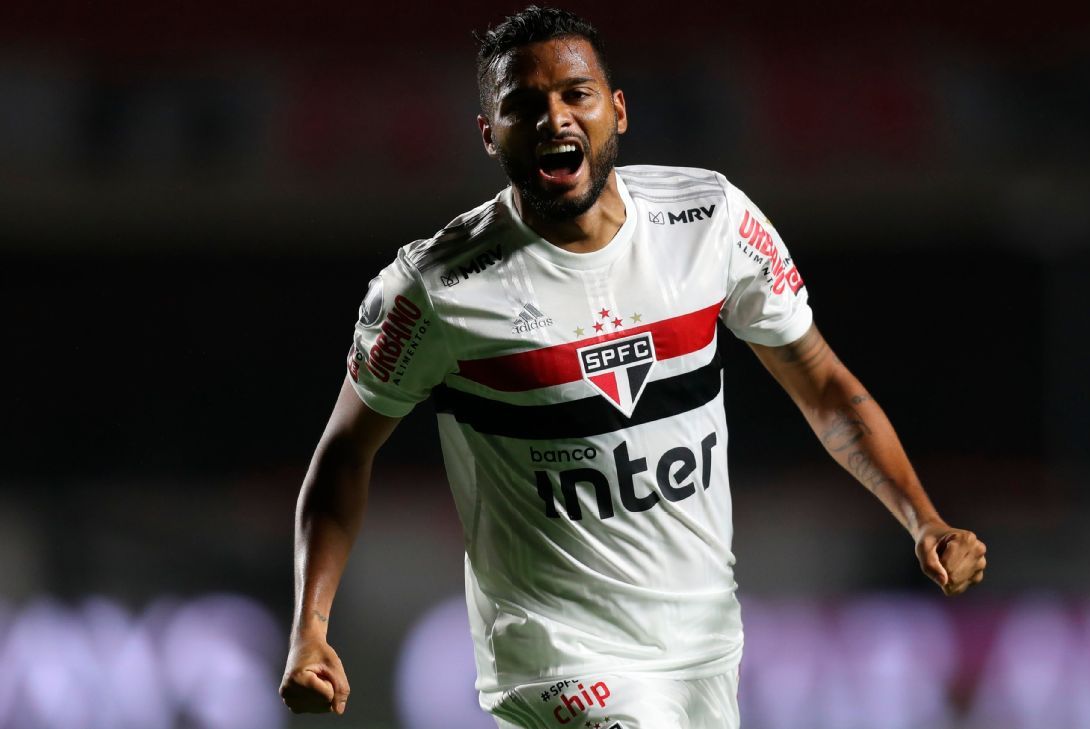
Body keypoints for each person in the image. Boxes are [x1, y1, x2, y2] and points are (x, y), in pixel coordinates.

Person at [279, 6, 987, 727]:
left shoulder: (710, 222)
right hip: (557, 662)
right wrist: (311, 626)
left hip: (704, 649)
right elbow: (345, 451)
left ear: (617, 110)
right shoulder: (436, 287)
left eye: (575, 94)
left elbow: (826, 388)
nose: (555, 118)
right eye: (524, 105)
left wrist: (922, 519)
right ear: (490, 134)